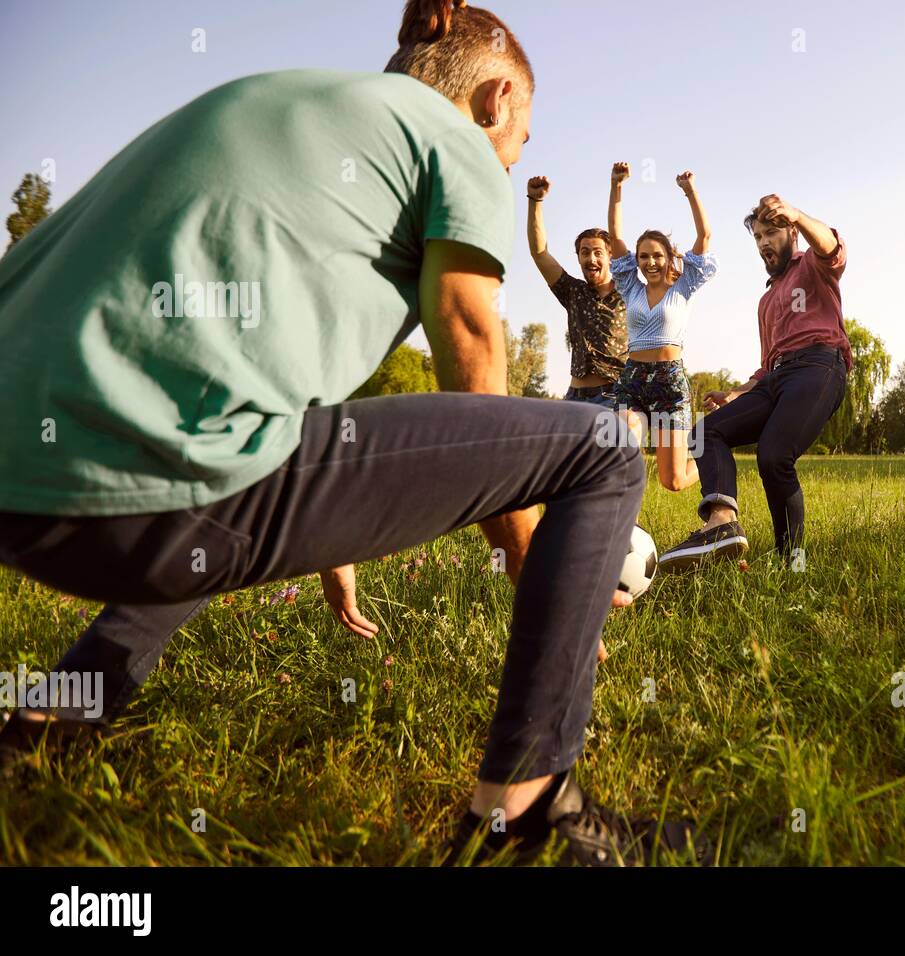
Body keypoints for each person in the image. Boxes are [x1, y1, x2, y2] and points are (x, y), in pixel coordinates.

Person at [0, 0, 702, 866]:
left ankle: (55, 715)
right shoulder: (454, 144)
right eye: (523, 133)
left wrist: (335, 542)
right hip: (149, 503)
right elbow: (474, 348)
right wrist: (533, 562)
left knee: (197, 469)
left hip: (29, 494)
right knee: (601, 447)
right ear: (493, 99)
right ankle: (524, 804)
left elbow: (272, 390)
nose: (517, 154)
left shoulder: (275, 101)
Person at [658, 195, 850, 571]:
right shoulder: (767, 299)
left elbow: (831, 245)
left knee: (774, 456)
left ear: (791, 232)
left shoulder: (813, 265)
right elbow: (767, 364)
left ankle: (791, 558)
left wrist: (795, 212)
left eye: (771, 231)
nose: (763, 242)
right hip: (777, 377)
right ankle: (722, 522)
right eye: (757, 236)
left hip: (819, 366)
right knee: (703, 433)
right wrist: (737, 392)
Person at [606, 162, 717, 491]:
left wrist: (690, 191)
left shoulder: (685, 286)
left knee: (674, 481)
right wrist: (617, 186)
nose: (650, 262)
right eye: (643, 257)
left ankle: (714, 449)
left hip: (669, 384)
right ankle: (624, 519)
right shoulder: (630, 287)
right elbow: (614, 236)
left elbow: (705, 235)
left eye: (656, 256)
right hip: (633, 381)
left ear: (669, 257)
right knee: (619, 442)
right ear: (636, 261)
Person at [525, 175, 627, 408]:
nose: (591, 258)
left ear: (610, 257)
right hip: (575, 397)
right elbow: (539, 253)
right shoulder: (573, 291)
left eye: (598, 252)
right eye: (584, 252)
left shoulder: (629, 293)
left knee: (612, 443)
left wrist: (616, 186)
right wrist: (535, 201)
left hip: (615, 397)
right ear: (579, 257)